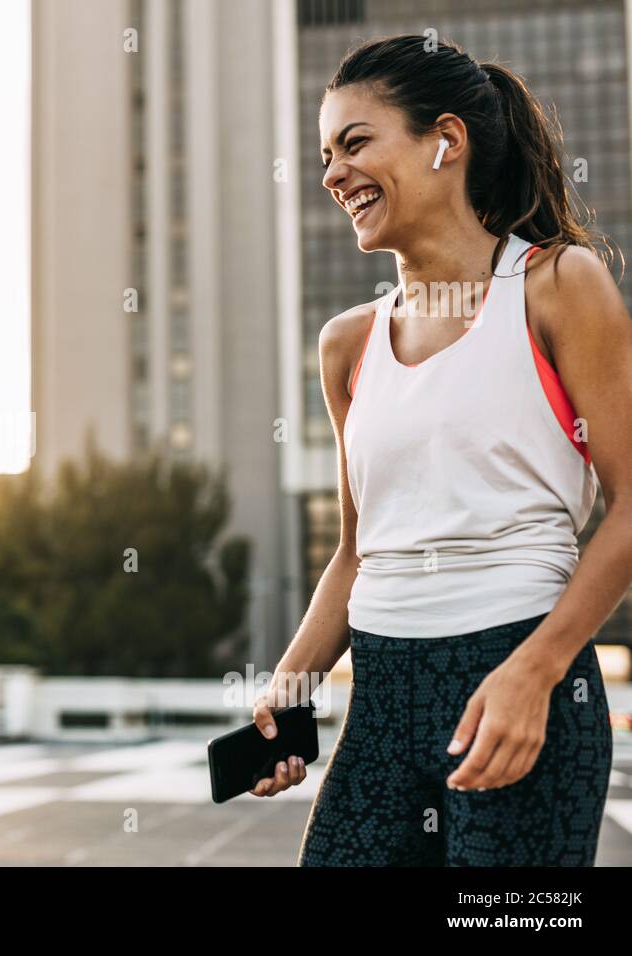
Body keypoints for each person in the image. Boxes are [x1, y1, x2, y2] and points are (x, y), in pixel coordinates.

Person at [250, 36, 632, 866]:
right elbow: (357, 552)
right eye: (325, 155)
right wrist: (292, 684)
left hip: (516, 675)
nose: (332, 175)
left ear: (444, 141)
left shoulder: (556, 287)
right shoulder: (347, 345)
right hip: (382, 701)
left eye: (355, 143)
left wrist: (538, 671)